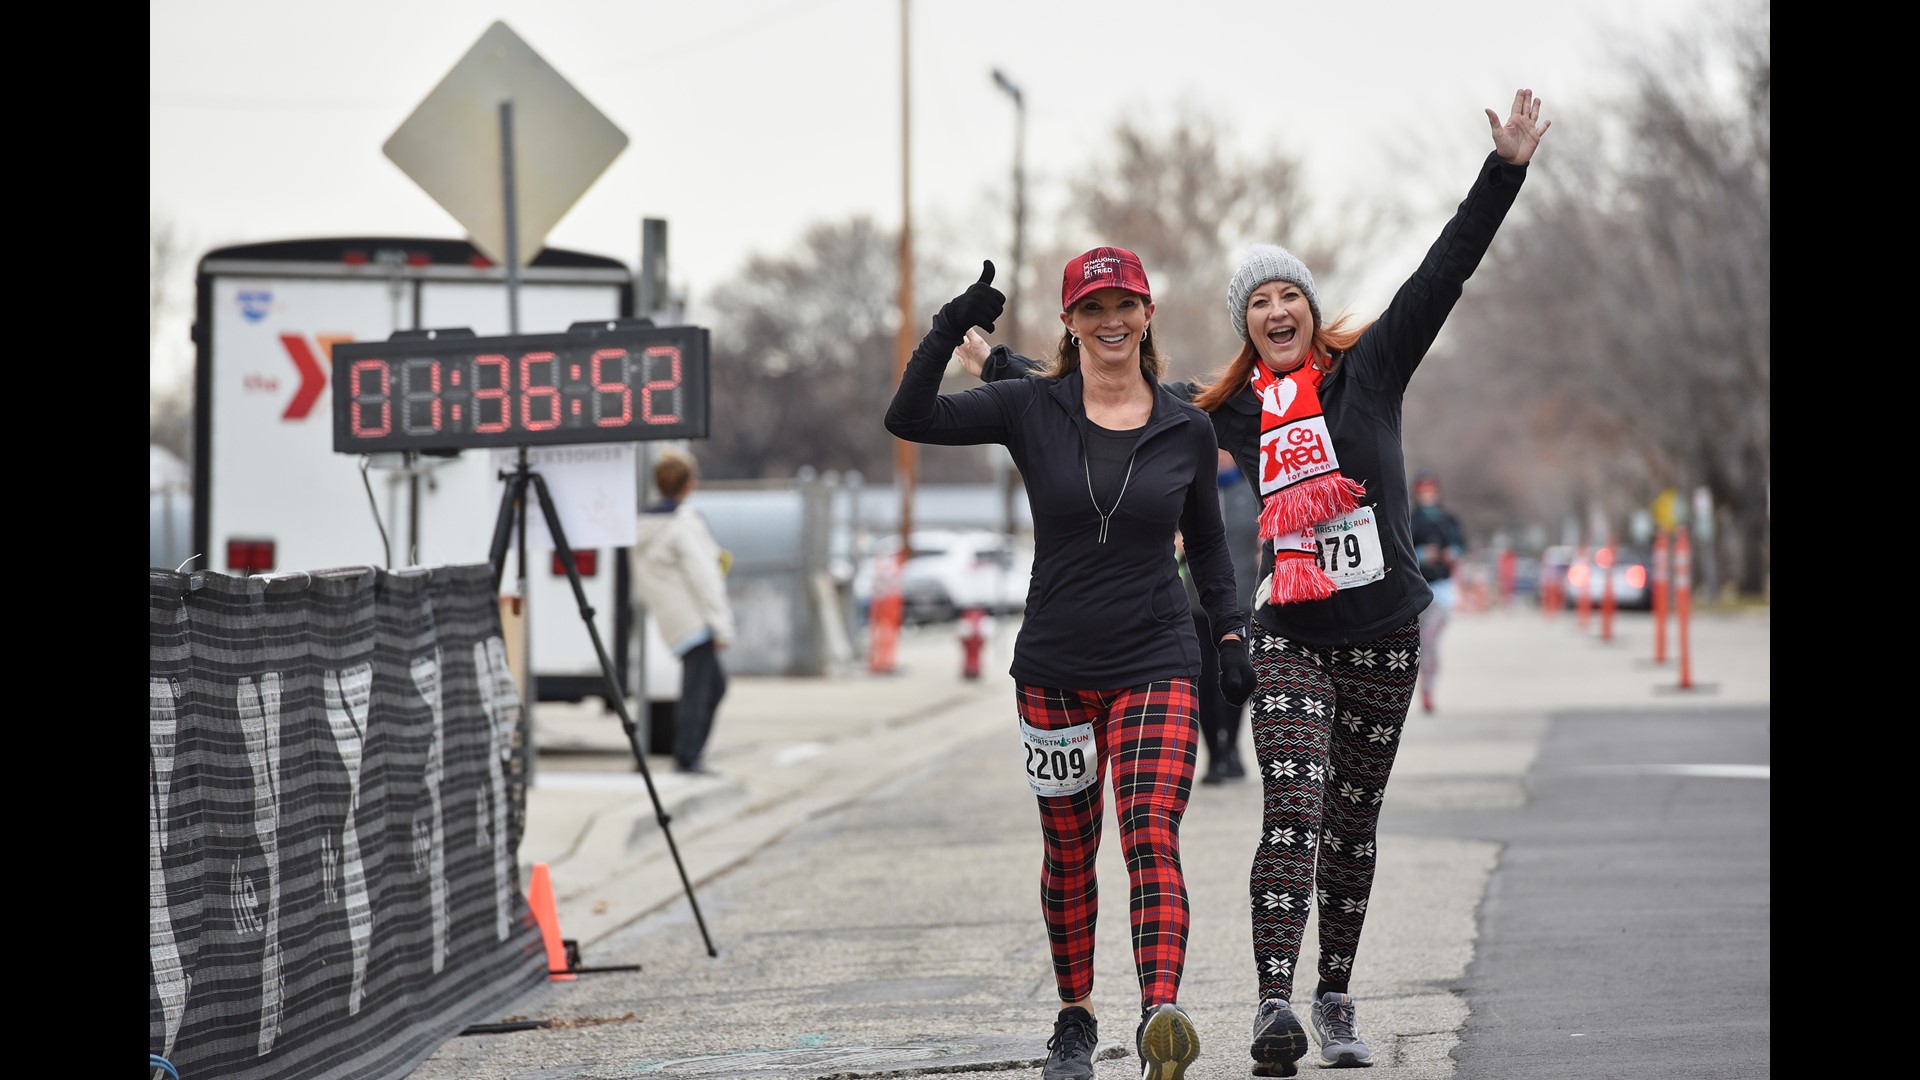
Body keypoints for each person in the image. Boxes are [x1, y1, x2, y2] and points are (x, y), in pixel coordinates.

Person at [961, 89, 1550, 1075]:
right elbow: (1113, 394)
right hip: (1290, 634)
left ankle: (1334, 997)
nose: (1275, 310)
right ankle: (1274, 1006)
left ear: (1311, 310)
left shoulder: (1372, 375)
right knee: (1296, 805)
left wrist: (1507, 171)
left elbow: (1443, 272)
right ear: (1248, 323)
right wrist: (1008, 362)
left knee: (1353, 825)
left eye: (1288, 296)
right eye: (1258, 302)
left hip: (1384, 632)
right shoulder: (1226, 410)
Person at [885, 249, 1256, 1080]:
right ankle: (1076, 1016)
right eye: (1092, 308)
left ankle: (1162, 1013)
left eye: (1125, 303)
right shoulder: (1030, 407)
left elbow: (1206, 544)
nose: (1110, 320)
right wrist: (950, 326)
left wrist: (1229, 633)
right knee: (1068, 848)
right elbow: (907, 419)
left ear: (1148, 313)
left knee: (1150, 831)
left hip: (1158, 655)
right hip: (1053, 665)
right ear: (1069, 323)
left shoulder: (1185, 424)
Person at [631, 448, 735, 776]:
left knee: (710, 685)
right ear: (688, 484)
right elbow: (704, 577)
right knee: (701, 690)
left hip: (671, 618)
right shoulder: (684, 525)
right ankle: (687, 757)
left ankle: (689, 754)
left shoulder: (644, 526)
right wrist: (720, 625)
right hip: (696, 618)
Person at [1409, 471, 1466, 715]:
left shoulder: (1447, 519)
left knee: (1430, 640)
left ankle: (1428, 687)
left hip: (1442, 586)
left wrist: (1450, 553)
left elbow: (1459, 544)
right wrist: (1422, 554)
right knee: (1423, 642)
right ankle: (1424, 688)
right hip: (1421, 584)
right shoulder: (1411, 518)